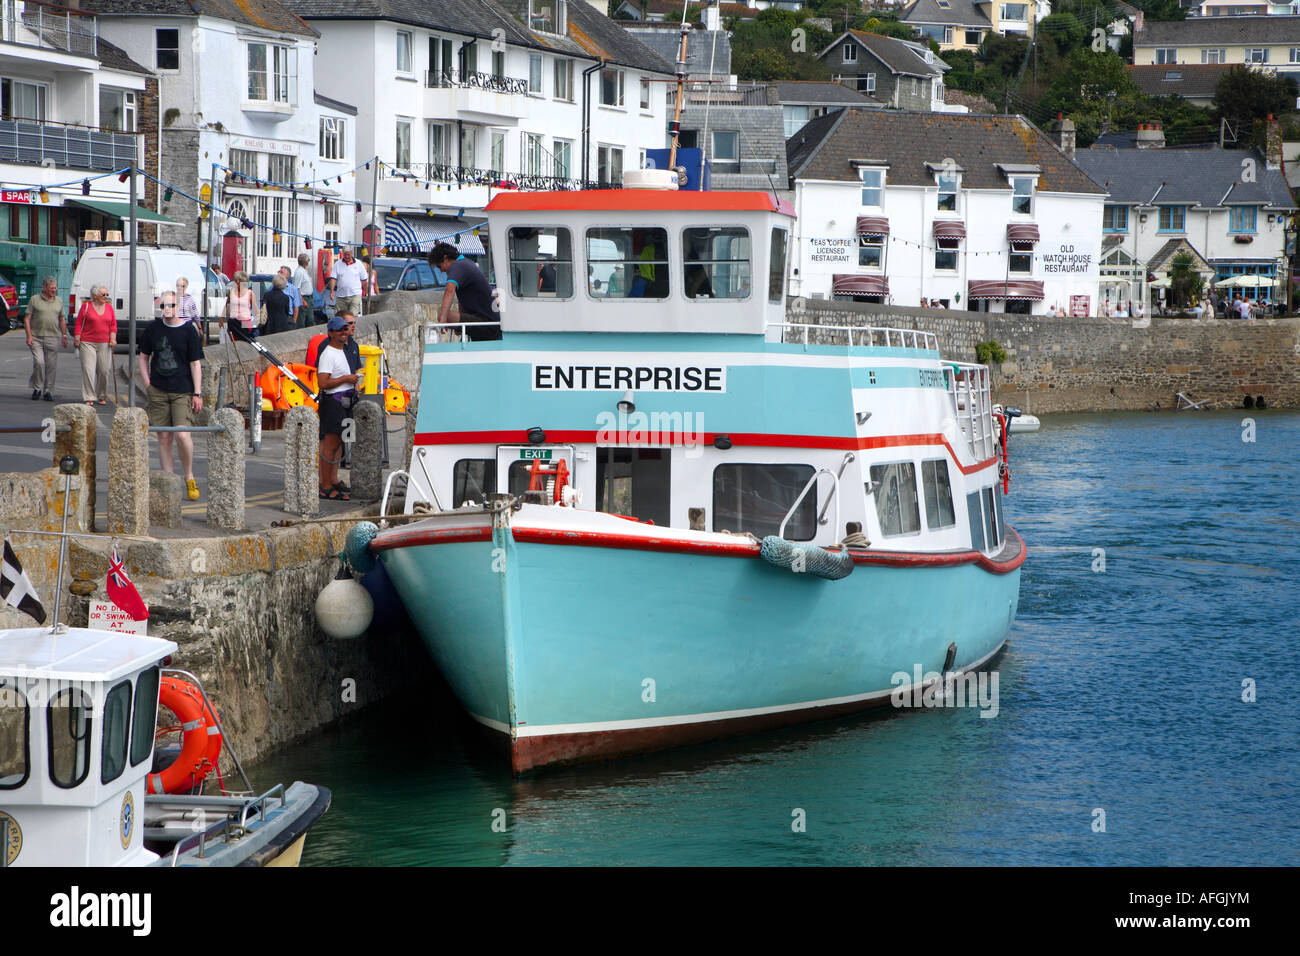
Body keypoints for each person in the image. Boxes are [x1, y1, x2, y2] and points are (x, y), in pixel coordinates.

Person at [137, 291, 203, 501]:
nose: (167, 310)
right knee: (164, 437)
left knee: (182, 435)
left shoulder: (188, 331)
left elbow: (195, 363)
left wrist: (197, 393)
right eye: (163, 306)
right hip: (158, 389)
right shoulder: (153, 329)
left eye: (171, 306)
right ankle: (169, 482)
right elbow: (143, 356)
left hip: (182, 389)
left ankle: (189, 475)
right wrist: (147, 382)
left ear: (178, 307)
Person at [317, 315, 360, 500]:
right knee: (331, 444)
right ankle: (325, 486)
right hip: (333, 403)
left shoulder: (343, 350)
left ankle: (331, 481)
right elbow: (322, 383)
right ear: (331, 333)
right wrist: (346, 379)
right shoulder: (328, 353)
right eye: (340, 330)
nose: (344, 332)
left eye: (345, 329)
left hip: (345, 401)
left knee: (338, 444)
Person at [430, 241, 500, 341]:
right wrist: (458, 326)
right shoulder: (465, 263)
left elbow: (449, 291)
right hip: (487, 322)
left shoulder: (458, 266)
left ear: (445, 258)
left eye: (439, 266)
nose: (441, 271)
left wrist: (442, 321)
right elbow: (462, 300)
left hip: (488, 324)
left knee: (443, 315)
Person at [23, 276, 66, 401]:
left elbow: (62, 319)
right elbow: (27, 318)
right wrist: (29, 335)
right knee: (39, 362)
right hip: (36, 337)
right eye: (52, 288)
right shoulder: (34, 299)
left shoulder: (59, 301)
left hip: (52, 337)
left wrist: (64, 335)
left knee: (51, 366)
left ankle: (48, 391)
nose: (54, 290)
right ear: (44, 287)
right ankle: (37, 388)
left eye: (55, 287)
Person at [73, 284, 117, 405]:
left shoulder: (109, 308)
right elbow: (78, 323)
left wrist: (113, 338)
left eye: (107, 294)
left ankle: (102, 395)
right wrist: (77, 338)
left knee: (104, 371)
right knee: (89, 370)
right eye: (103, 294)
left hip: (104, 343)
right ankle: (89, 396)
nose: (106, 297)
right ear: (94, 296)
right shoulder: (86, 307)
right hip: (87, 342)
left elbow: (113, 325)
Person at [329, 247, 367, 319]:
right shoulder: (337, 264)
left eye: (348, 255)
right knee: (340, 316)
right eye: (345, 255)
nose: (347, 257)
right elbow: (333, 278)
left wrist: (366, 292)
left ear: (352, 254)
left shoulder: (359, 264)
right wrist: (331, 291)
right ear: (343, 254)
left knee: (353, 316)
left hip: (355, 294)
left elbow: (364, 280)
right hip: (341, 296)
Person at [225, 270, 257, 339]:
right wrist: (222, 319)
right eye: (235, 280)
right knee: (234, 343)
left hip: (245, 321)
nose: (236, 282)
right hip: (233, 321)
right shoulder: (232, 292)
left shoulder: (250, 293)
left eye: (238, 280)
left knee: (244, 341)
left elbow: (255, 310)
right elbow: (227, 306)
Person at [292, 252, 314, 327]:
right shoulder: (299, 272)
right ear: (305, 262)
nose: (309, 262)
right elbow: (296, 288)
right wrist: (303, 301)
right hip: (303, 298)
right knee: (301, 321)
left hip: (309, 298)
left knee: (310, 320)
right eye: (308, 260)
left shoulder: (304, 271)